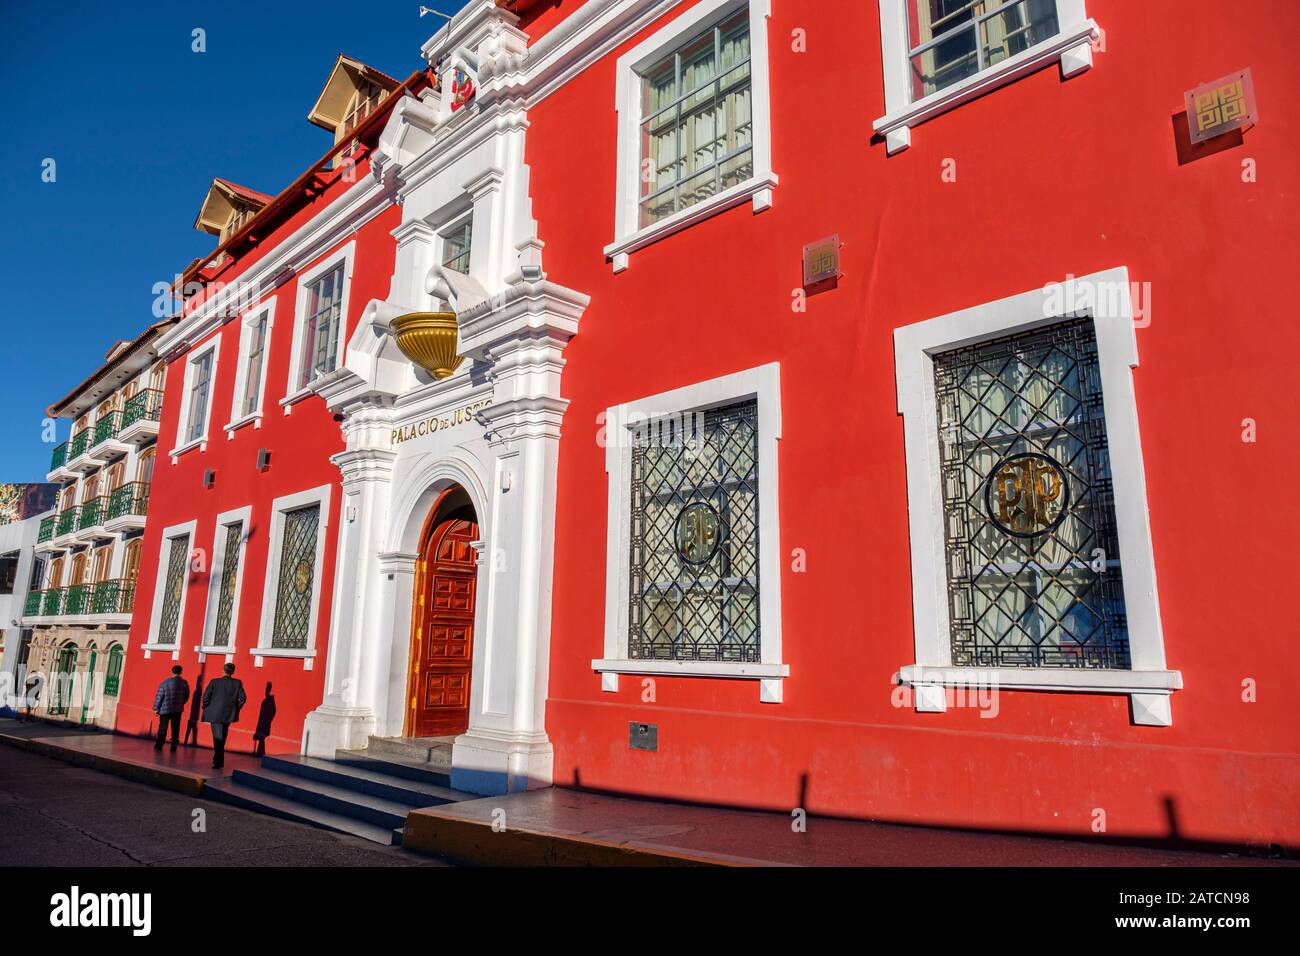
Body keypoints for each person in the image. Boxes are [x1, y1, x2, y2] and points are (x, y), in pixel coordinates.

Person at [201, 662, 246, 769]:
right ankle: (218, 760)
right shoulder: (237, 683)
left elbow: (205, 697)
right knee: (222, 737)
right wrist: (236, 708)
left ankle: (218, 761)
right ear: (233, 672)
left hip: (215, 714)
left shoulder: (214, 682)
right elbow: (243, 698)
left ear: (223, 670)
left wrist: (207, 707)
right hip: (228, 714)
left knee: (218, 738)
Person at [152, 665, 190, 751]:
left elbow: (159, 696)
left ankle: (159, 744)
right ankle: (174, 745)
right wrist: (181, 703)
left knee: (163, 727)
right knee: (176, 727)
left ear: (172, 671)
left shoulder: (165, 683)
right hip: (177, 709)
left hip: (165, 709)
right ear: (180, 672)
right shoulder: (184, 683)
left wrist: (156, 708)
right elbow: (187, 696)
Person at [252, 682, 276, 757]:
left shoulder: (270, 701)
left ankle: (261, 753)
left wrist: (268, 720)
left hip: (265, 722)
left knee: (262, 738)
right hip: (262, 721)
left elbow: (273, 712)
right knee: (261, 738)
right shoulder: (266, 701)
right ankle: (260, 752)